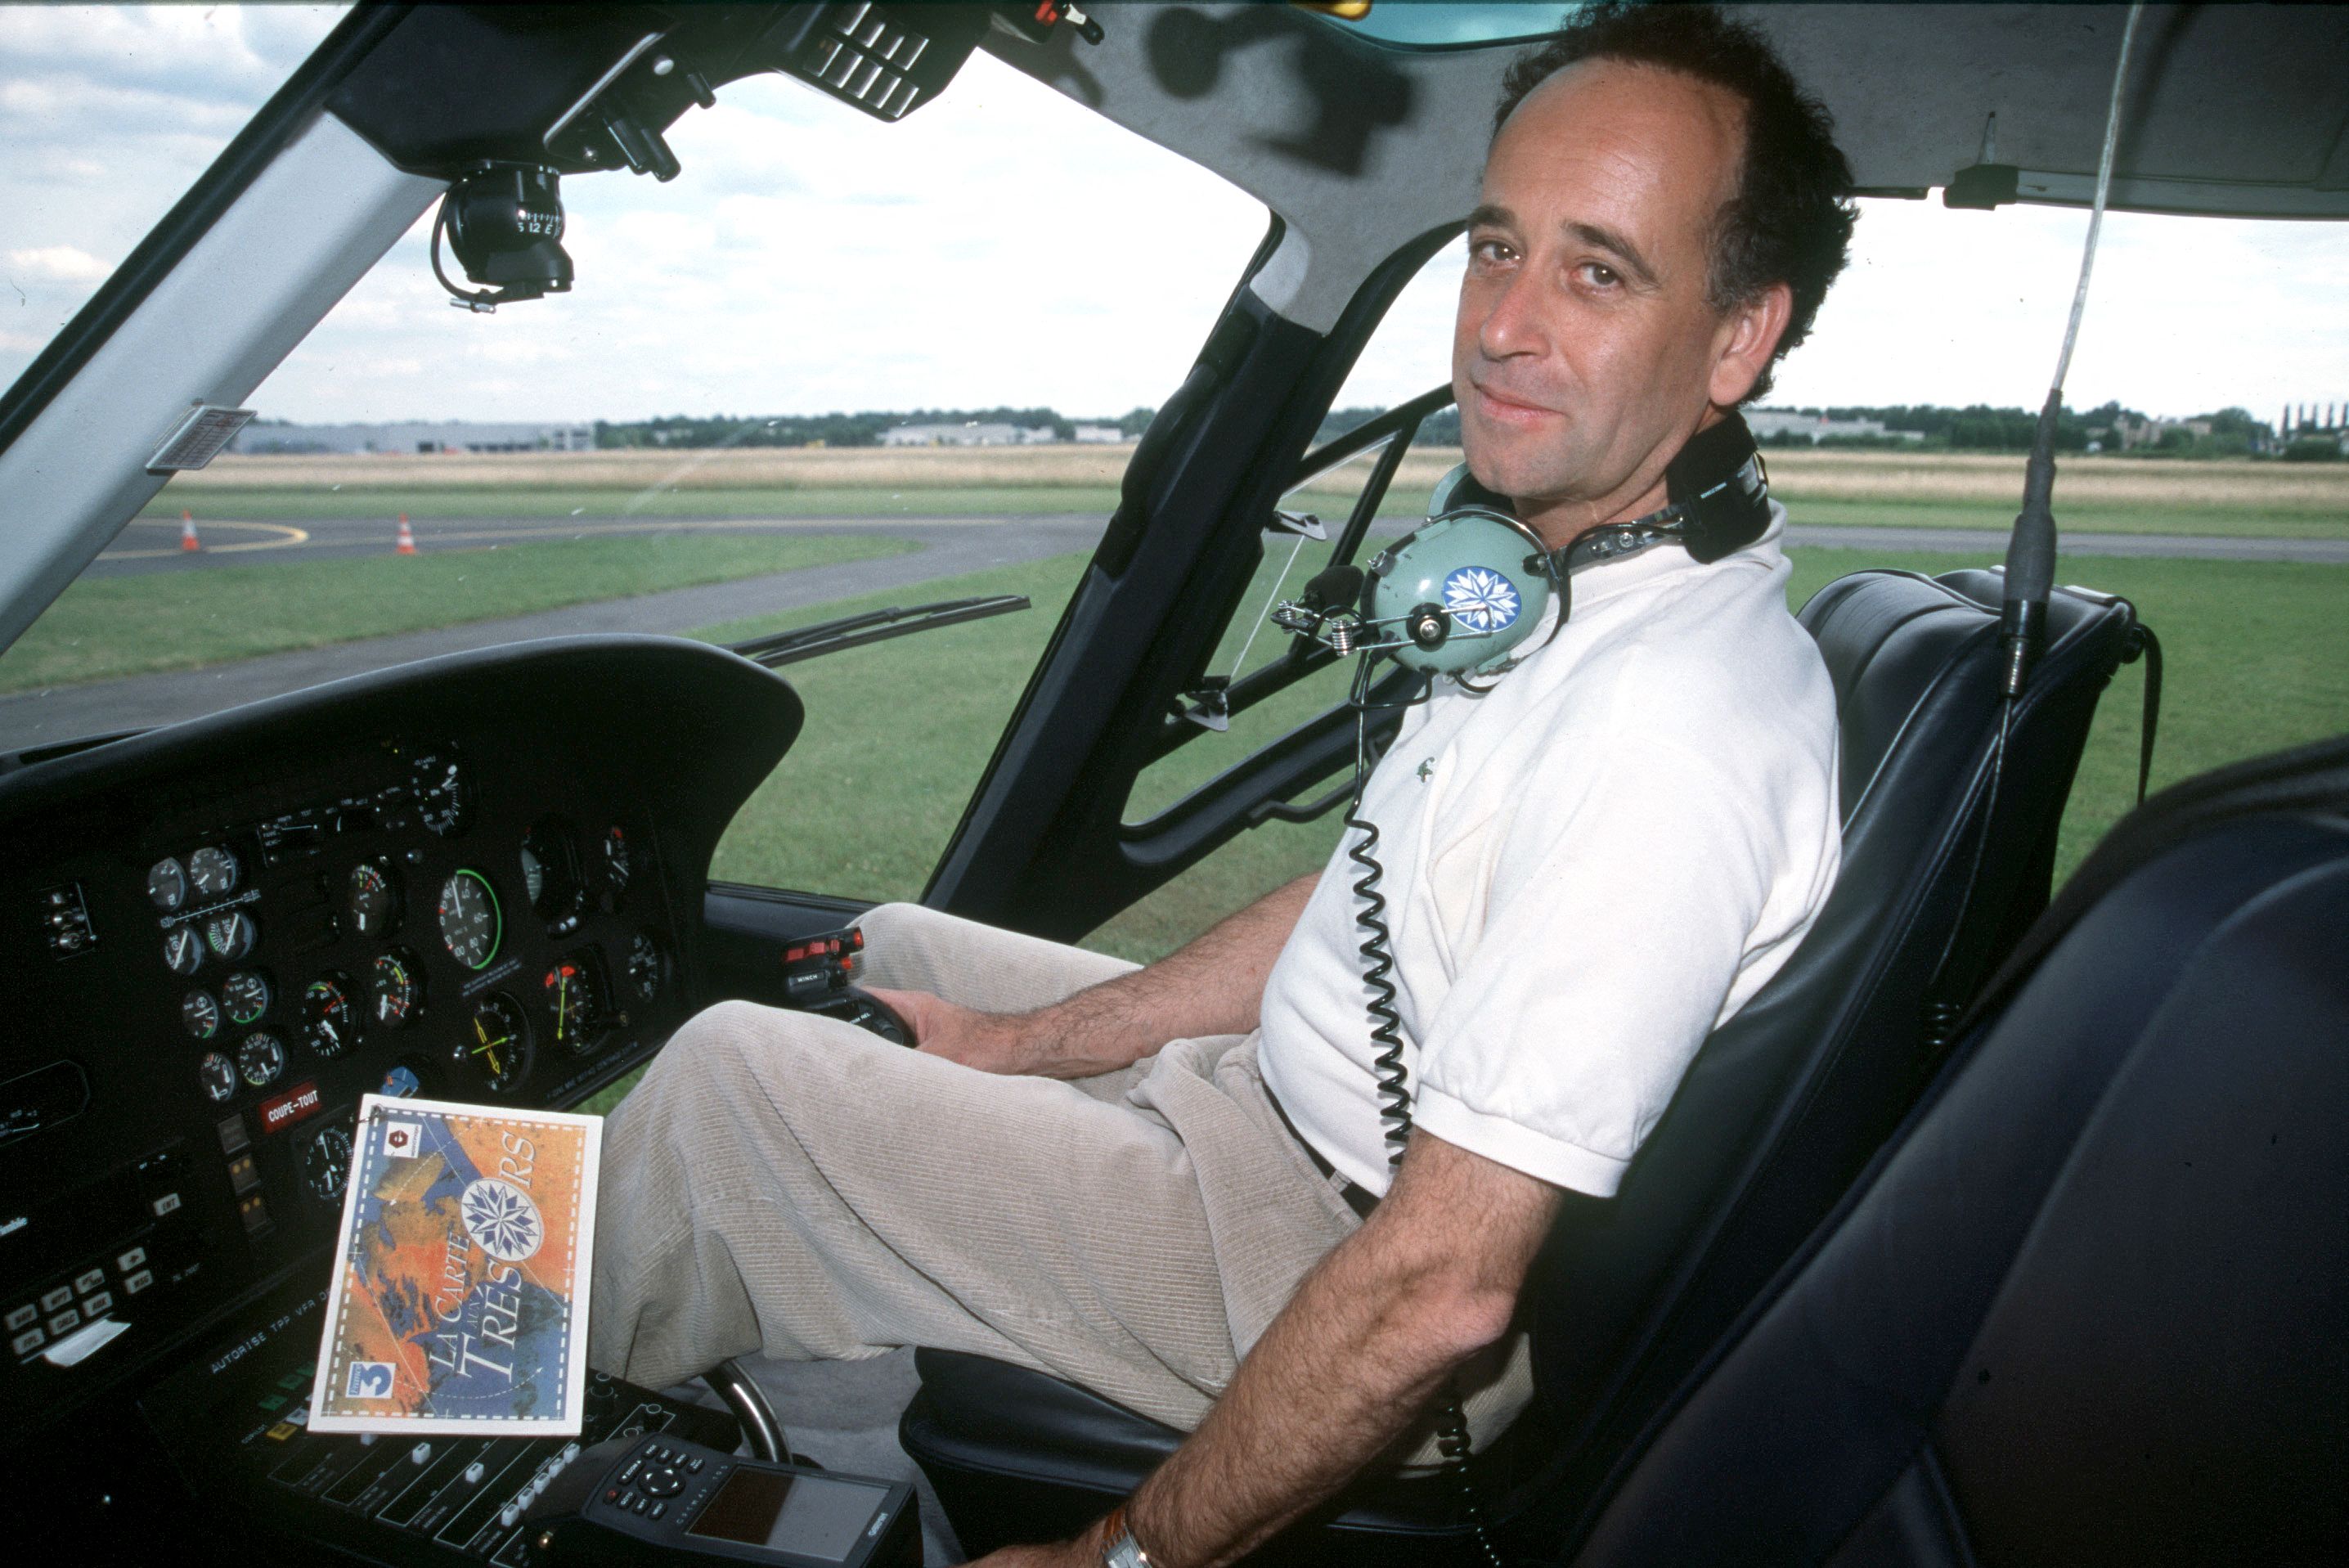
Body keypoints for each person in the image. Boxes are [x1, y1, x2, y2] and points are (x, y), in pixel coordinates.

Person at [588, 6, 1854, 1564]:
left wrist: (1114, 1556)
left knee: (732, 1085)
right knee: (905, 952)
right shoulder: (1575, 591)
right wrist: (1015, 1045)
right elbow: (1372, 894)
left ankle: (442, 1453)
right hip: (1270, 1123)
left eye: (1598, 273)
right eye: (1494, 248)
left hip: (1325, 1248)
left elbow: (1444, 1285)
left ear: (1737, 340)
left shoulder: (1669, 728)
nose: (1502, 326)